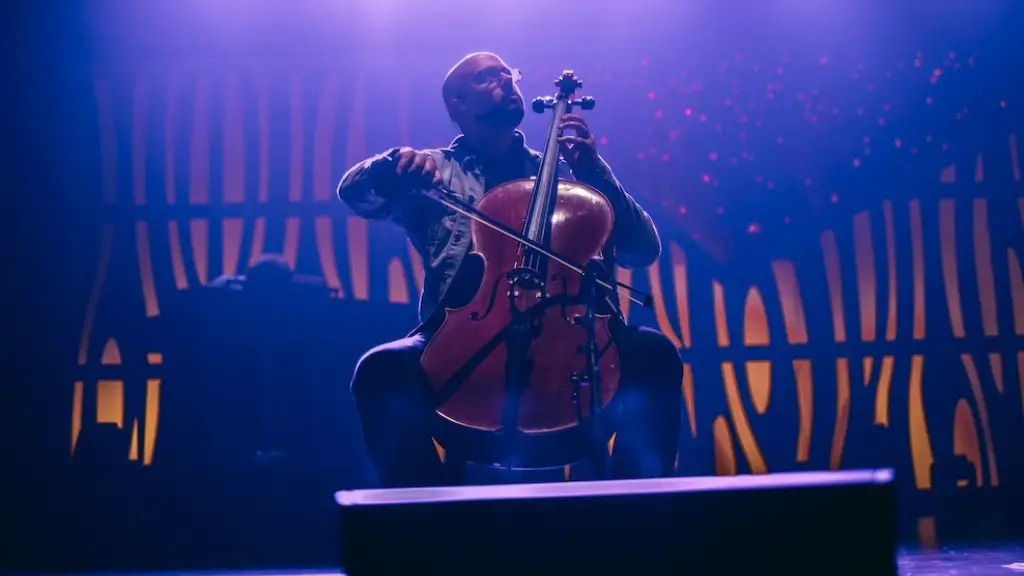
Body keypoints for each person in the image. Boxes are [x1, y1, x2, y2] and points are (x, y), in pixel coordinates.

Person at [338, 52, 682, 488]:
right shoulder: (432, 174)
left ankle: (640, 517)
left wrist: (598, 176)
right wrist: (389, 166)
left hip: (569, 331)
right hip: (463, 335)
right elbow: (355, 195)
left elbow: (641, 250)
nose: (505, 79)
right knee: (381, 370)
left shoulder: (564, 175)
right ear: (458, 104)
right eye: (487, 77)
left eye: (508, 74)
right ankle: (422, 528)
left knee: (654, 356)